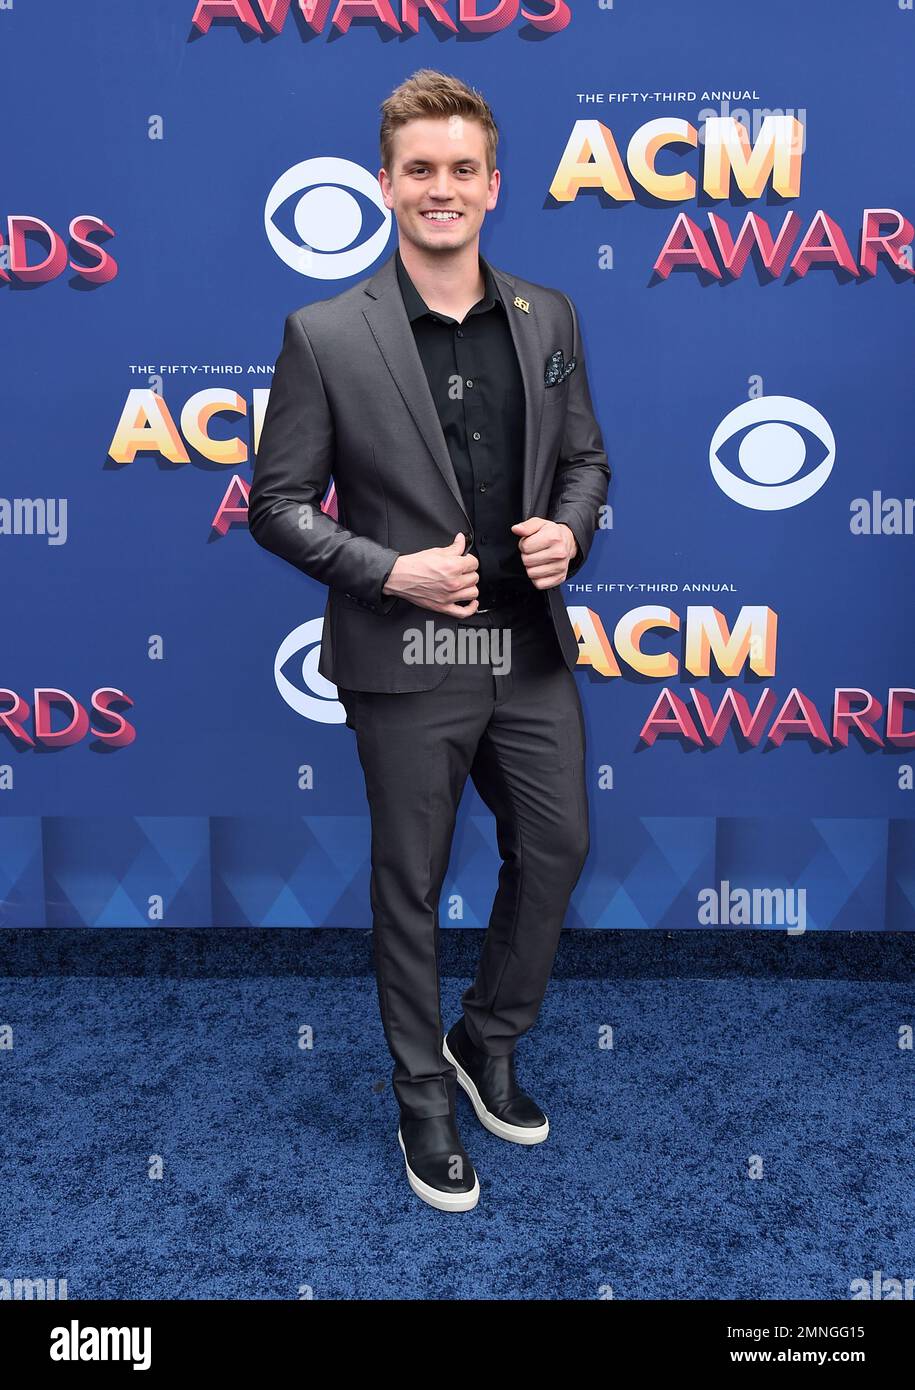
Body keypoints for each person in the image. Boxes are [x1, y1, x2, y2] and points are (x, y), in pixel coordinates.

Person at [248, 68, 611, 1212]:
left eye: (462, 170)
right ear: (383, 185)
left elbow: (589, 460)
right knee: (410, 884)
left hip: (527, 647)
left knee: (556, 847)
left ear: (494, 185)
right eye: (420, 171)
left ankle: (487, 1033)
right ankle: (423, 1097)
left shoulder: (550, 315)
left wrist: (570, 528)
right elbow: (278, 502)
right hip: (408, 659)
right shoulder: (322, 333)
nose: (441, 189)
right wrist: (388, 568)